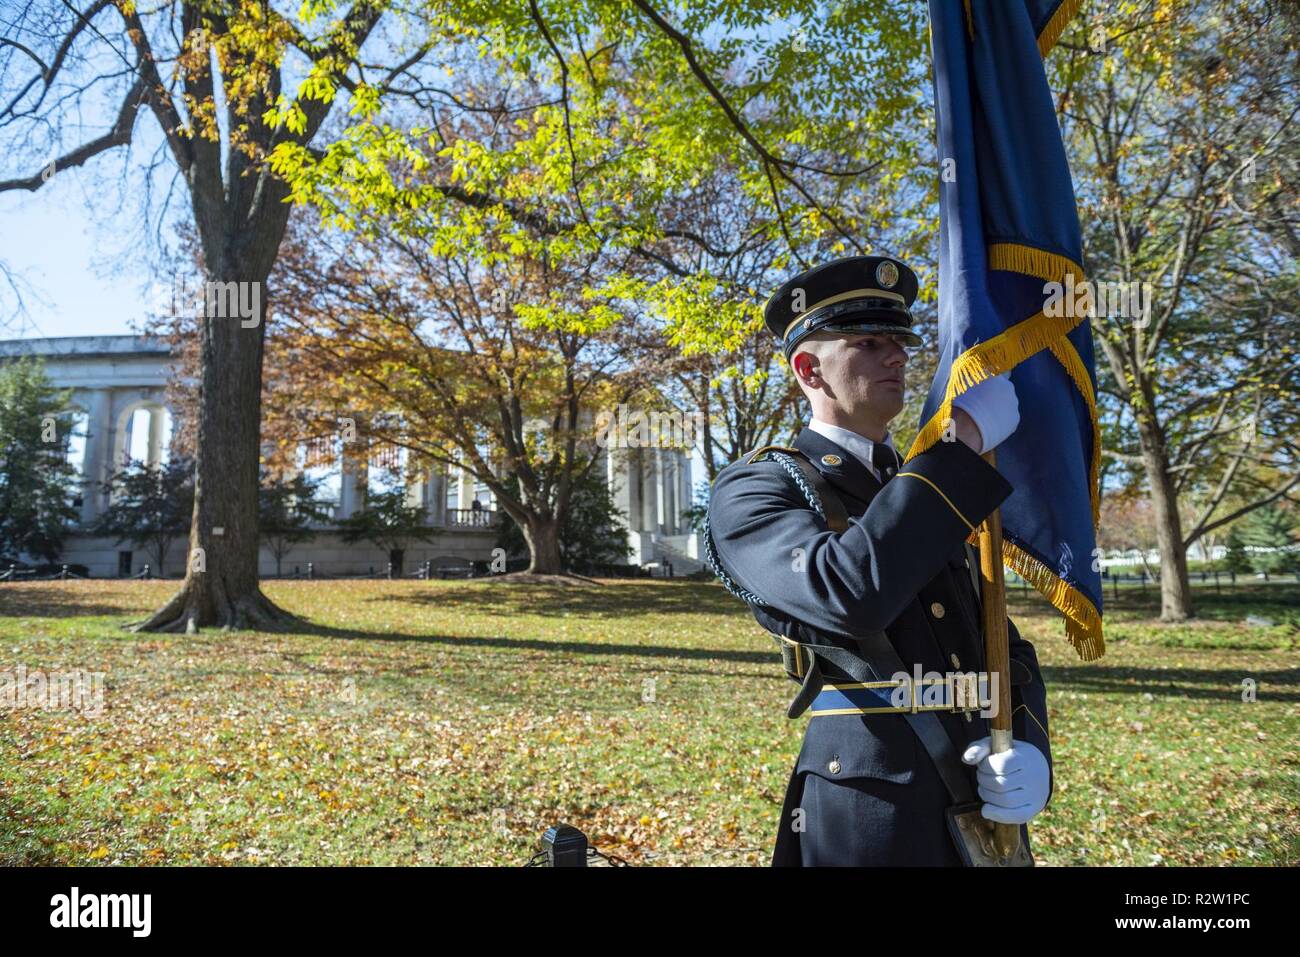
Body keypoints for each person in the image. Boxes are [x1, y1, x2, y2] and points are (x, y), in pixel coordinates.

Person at [705, 255, 1053, 866]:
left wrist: (1030, 745)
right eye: (869, 342)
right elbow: (847, 594)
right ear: (809, 368)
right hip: (869, 808)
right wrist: (962, 443)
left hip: (980, 790)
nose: (898, 356)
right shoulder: (758, 487)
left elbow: (1002, 644)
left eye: (901, 342)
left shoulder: (928, 484)